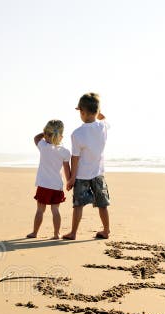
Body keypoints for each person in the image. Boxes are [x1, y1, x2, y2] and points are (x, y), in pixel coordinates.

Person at [62, 93, 110, 240]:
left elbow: (75, 158)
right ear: (97, 111)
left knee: (78, 205)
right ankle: (106, 230)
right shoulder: (103, 127)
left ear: (82, 112)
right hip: (98, 173)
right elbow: (104, 118)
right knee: (102, 204)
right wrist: (99, 113)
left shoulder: (77, 134)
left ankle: (73, 233)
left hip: (82, 175)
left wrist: (71, 178)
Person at [27, 119, 71, 239]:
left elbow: (36, 138)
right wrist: (69, 181)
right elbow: (67, 169)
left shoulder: (43, 146)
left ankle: (35, 232)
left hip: (43, 185)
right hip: (57, 186)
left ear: (46, 134)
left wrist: (44, 133)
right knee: (55, 209)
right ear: (61, 136)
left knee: (40, 210)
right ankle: (56, 234)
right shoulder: (65, 152)